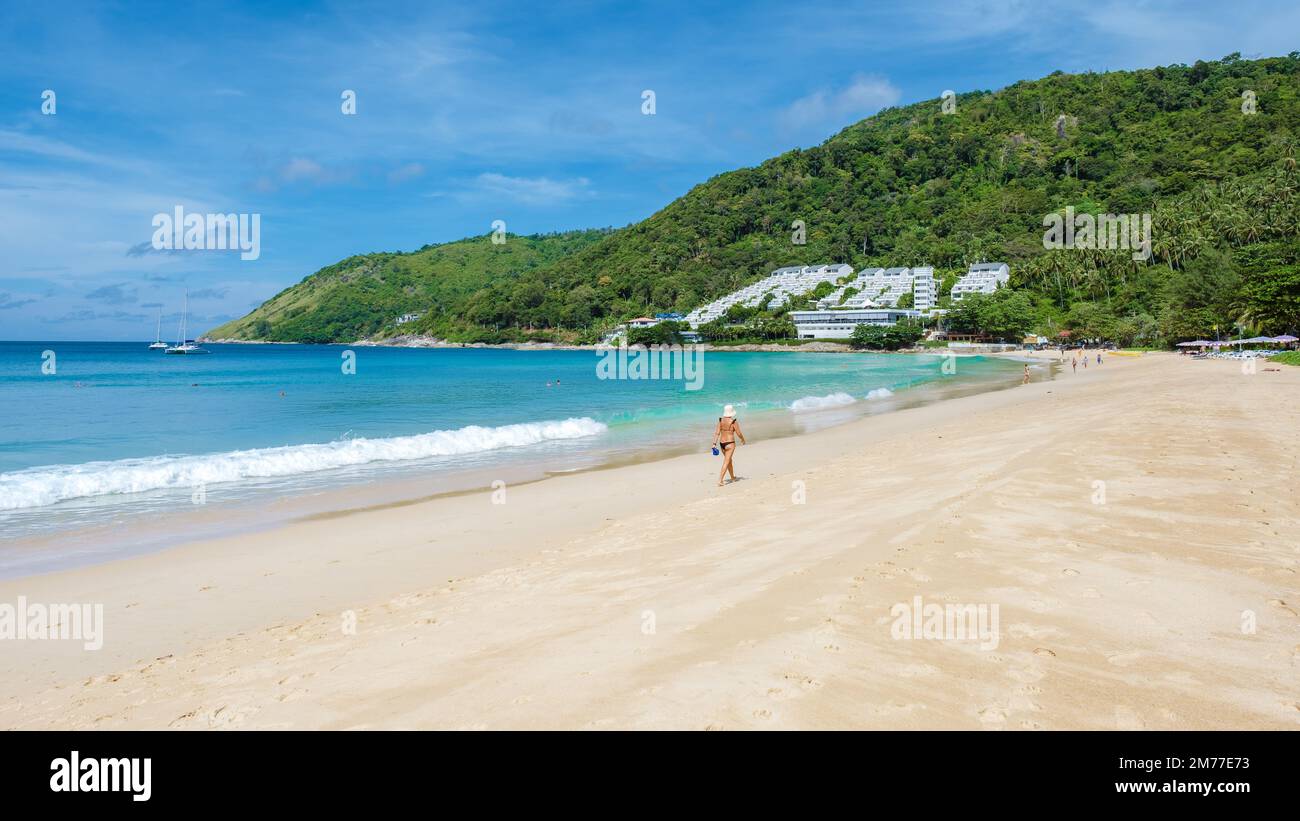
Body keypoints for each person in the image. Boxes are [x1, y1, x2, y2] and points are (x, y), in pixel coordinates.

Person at [711, 404, 746, 487]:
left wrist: (714, 444)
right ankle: (720, 480)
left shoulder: (720, 420)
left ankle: (732, 477)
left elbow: (717, 433)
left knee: (729, 460)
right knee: (727, 461)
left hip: (722, 443)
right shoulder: (733, 421)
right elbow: (739, 433)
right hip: (730, 443)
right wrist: (742, 439)